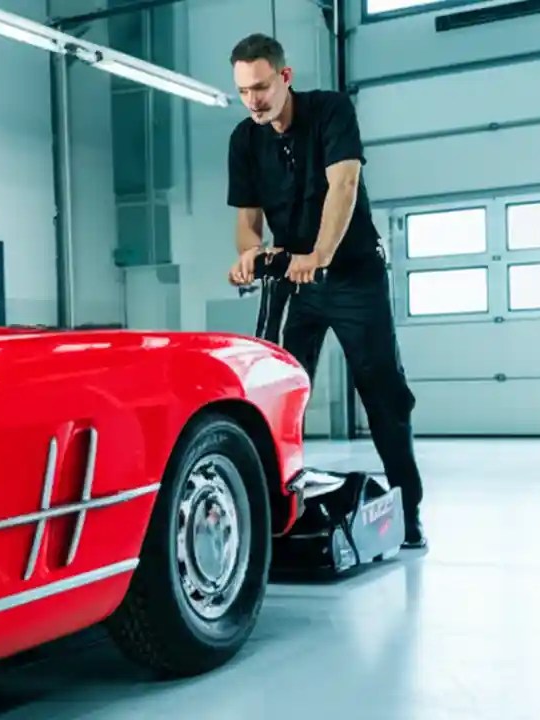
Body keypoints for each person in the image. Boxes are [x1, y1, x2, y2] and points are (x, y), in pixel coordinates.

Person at [224, 32, 426, 549]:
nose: (253, 101)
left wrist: (319, 255)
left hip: (355, 274)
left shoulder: (331, 111)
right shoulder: (244, 140)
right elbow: (248, 222)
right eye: (243, 91)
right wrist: (249, 254)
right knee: (280, 395)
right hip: (296, 282)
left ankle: (408, 512)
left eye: (261, 87)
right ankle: (274, 515)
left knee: (382, 393)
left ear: (285, 77)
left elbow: (345, 186)